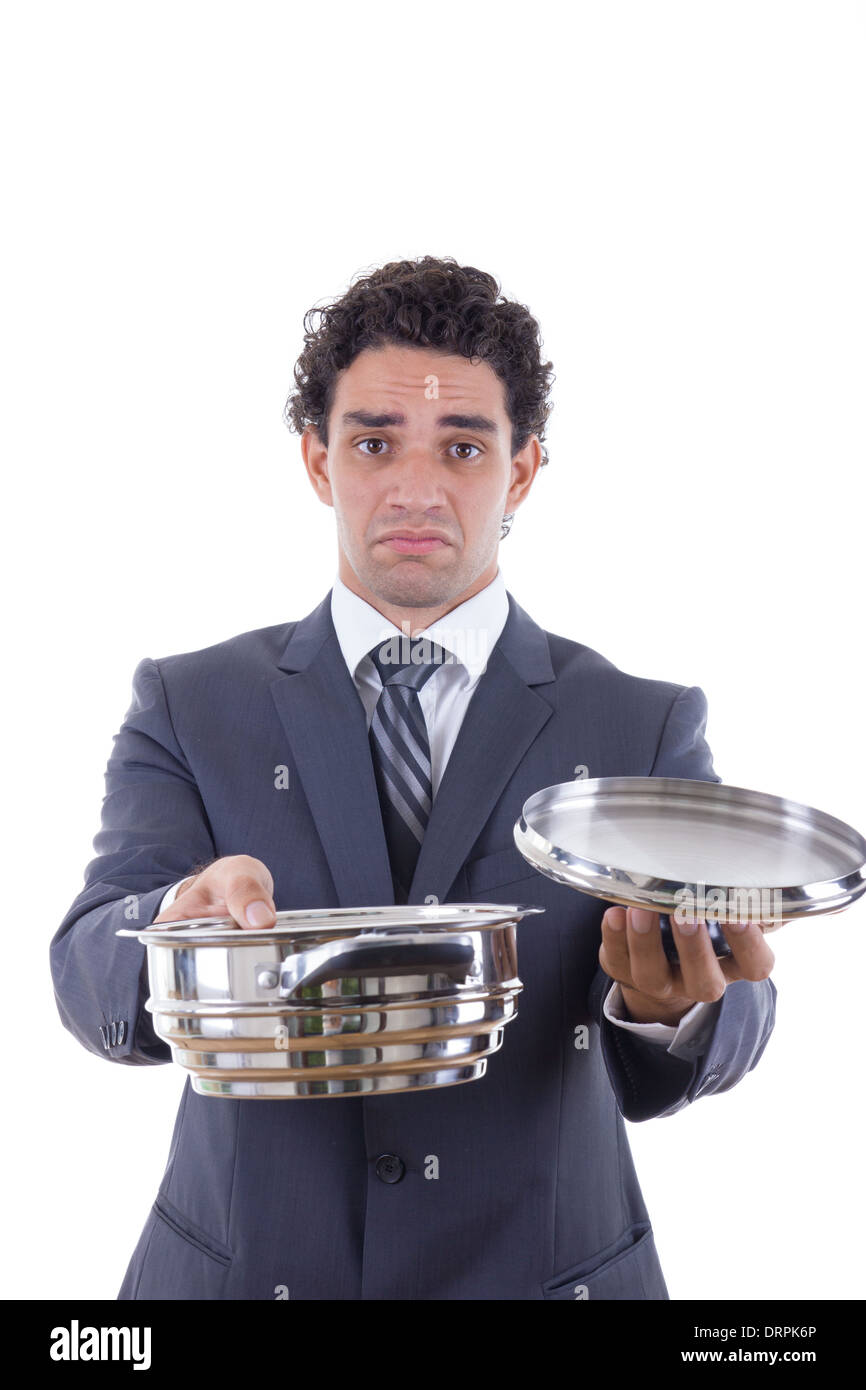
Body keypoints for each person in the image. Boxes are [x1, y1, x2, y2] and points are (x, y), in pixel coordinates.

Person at [49, 256, 776, 1301]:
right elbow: (84, 972)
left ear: (521, 469)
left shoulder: (641, 722)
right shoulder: (189, 701)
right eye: (374, 441)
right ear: (316, 458)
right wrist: (172, 920)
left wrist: (672, 1007)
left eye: (464, 446)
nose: (415, 489)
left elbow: (734, 995)